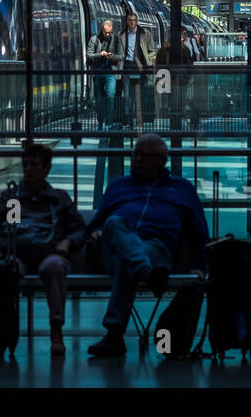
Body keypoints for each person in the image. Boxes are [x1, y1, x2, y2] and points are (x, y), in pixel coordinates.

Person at [82, 134, 209, 357]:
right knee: (114, 223)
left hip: (156, 247)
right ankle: (147, 273)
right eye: (135, 154)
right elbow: (96, 223)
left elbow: (199, 231)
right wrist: (95, 234)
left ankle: (114, 335)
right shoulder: (118, 186)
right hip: (115, 248)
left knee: (128, 258)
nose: (137, 159)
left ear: (161, 161)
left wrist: (201, 266)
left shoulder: (182, 189)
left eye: (144, 155)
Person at [0, 141, 86, 356]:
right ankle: (2, 331)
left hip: (51, 253)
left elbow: (80, 229)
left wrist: (68, 242)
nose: (29, 170)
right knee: (7, 269)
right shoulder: (13, 198)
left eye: (35, 165)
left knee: (54, 267)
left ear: (47, 168)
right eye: (26, 165)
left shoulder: (59, 199)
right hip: (19, 254)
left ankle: (56, 330)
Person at [117, 12, 156, 127]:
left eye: (134, 20)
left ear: (137, 21)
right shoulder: (121, 34)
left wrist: (149, 61)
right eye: (130, 20)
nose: (132, 22)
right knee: (128, 96)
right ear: (127, 22)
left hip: (141, 68)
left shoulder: (145, 34)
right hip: (127, 67)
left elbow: (152, 50)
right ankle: (130, 121)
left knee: (140, 96)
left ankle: (139, 119)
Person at [86, 19, 119, 129]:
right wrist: (100, 54)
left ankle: (109, 123)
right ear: (102, 29)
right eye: (106, 32)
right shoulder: (94, 39)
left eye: (109, 32)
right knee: (99, 99)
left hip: (111, 73)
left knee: (110, 97)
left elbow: (122, 55)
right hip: (98, 73)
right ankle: (100, 122)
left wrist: (112, 56)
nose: (108, 34)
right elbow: (89, 55)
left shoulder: (116, 39)